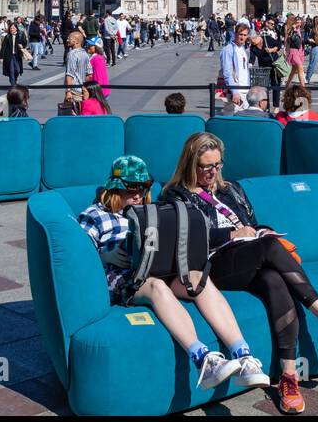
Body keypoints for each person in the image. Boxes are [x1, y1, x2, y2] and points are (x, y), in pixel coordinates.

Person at [160, 134, 318, 413]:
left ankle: (289, 377)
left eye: (217, 164)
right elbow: (185, 238)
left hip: (245, 256)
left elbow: (249, 223)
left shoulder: (231, 189)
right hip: (209, 267)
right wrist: (232, 233)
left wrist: (259, 230)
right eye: (205, 166)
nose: (212, 172)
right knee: (269, 247)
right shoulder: (175, 195)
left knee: (274, 280)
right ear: (190, 164)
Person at [76, 156, 268, 393]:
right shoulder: (93, 215)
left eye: (144, 188)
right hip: (127, 279)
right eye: (132, 188)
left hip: (162, 269)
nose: (138, 194)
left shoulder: (150, 209)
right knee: (156, 286)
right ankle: (203, 361)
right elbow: (78, 257)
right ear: (115, 187)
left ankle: (244, 356)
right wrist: (103, 255)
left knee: (197, 278)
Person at [219, 22, 251, 110]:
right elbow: (227, 72)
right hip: (235, 91)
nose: (242, 37)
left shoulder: (243, 49)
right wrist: (235, 91)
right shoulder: (228, 49)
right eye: (240, 34)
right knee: (232, 118)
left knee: (242, 119)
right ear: (235, 34)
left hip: (245, 90)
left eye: (245, 35)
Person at [63, 30, 90, 107]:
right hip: (82, 90)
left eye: (70, 39)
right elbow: (89, 74)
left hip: (73, 91)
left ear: (77, 42)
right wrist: (85, 90)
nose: (67, 40)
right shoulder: (85, 53)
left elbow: (69, 75)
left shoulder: (72, 54)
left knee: (69, 114)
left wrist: (68, 91)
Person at [0, 22, 28, 88]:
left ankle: (14, 79)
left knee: (17, 70)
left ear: (16, 29)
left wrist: (22, 45)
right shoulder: (7, 36)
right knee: (11, 70)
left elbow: (25, 43)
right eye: (11, 28)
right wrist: (1, 57)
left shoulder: (20, 35)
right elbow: (3, 47)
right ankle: (13, 85)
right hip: (9, 56)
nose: (12, 29)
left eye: (13, 28)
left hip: (17, 55)